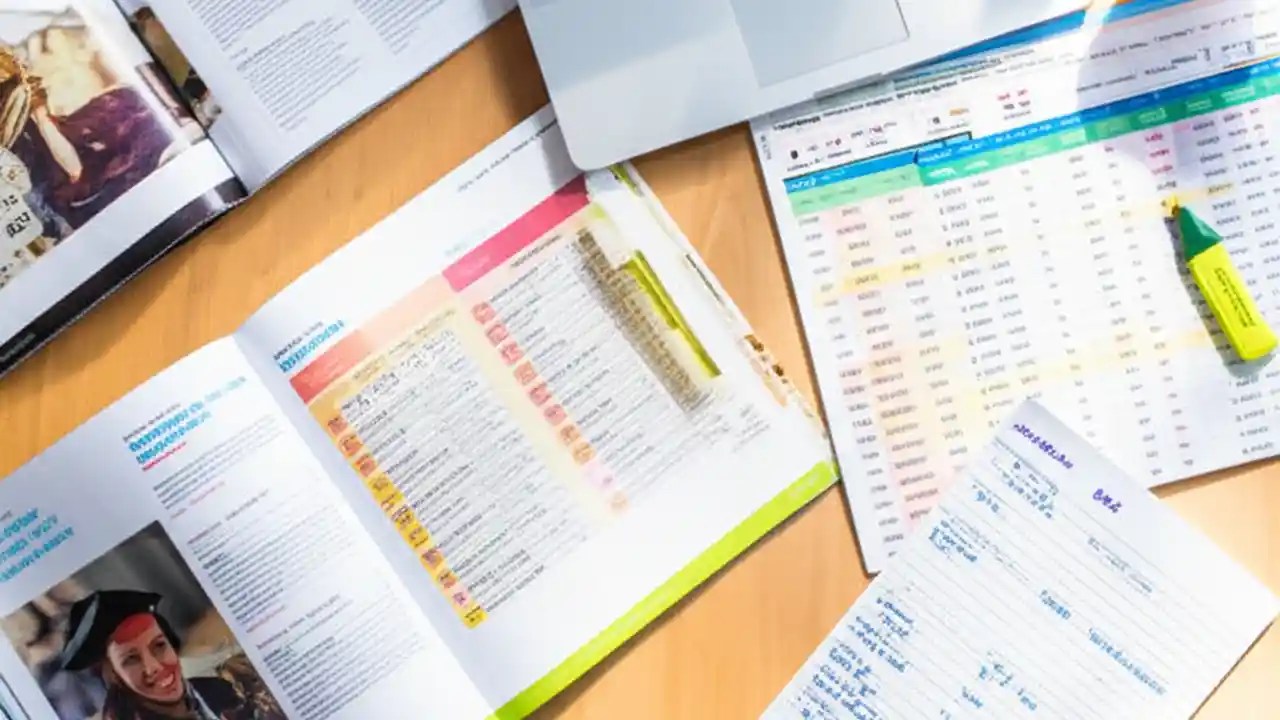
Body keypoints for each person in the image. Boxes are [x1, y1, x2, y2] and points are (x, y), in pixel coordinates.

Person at [60, 590, 244, 720]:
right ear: (114, 676)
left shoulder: (219, 690)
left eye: (159, 645)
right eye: (131, 659)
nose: (153, 666)